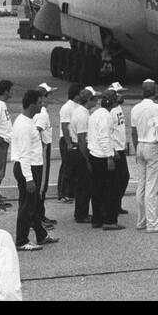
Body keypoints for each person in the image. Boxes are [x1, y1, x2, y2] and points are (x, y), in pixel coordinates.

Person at [9, 89, 59, 251]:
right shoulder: (24, 125)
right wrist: (29, 178)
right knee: (27, 206)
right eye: (38, 103)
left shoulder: (27, 120)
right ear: (31, 105)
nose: (41, 105)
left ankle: (41, 235)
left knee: (34, 203)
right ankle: (21, 240)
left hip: (31, 167)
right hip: (27, 168)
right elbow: (24, 155)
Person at [130, 79, 158, 232]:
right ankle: (152, 223)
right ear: (155, 90)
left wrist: (137, 149)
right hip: (152, 146)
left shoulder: (135, 108)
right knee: (151, 187)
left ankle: (141, 221)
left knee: (141, 186)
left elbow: (133, 132)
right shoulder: (155, 108)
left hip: (140, 145)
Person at [87, 90, 122, 231]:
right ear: (113, 102)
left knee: (97, 189)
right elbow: (104, 137)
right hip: (102, 157)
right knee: (111, 189)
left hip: (94, 154)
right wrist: (110, 156)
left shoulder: (95, 114)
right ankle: (109, 220)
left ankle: (97, 219)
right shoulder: (106, 116)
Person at [70, 87, 96, 223]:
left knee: (83, 184)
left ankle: (82, 212)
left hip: (78, 149)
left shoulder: (80, 112)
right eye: (94, 99)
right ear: (89, 100)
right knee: (83, 185)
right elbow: (81, 139)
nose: (96, 101)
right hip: (80, 152)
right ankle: (81, 214)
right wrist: (87, 160)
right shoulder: (82, 115)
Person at [33, 83, 57, 229]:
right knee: (41, 185)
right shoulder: (42, 114)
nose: (52, 97)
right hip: (42, 149)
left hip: (43, 148)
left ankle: (40, 214)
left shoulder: (42, 112)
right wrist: (40, 147)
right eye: (49, 94)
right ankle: (37, 218)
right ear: (43, 97)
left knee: (43, 185)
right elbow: (36, 132)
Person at [109, 81, 131, 217]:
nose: (121, 96)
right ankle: (113, 205)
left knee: (122, 178)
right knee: (120, 178)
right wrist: (112, 150)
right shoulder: (111, 112)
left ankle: (116, 204)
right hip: (115, 150)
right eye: (119, 93)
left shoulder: (119, 109)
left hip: (120, 147)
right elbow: (109, 132)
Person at [57, 83, 81, 202]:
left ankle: (71, 192)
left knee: (73, 167)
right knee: (66, 166)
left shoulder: (78, 106)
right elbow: (64, 126)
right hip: (67, 139)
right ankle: (62, 193)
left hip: (74, 139)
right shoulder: (67, 107)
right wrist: (69, 143)